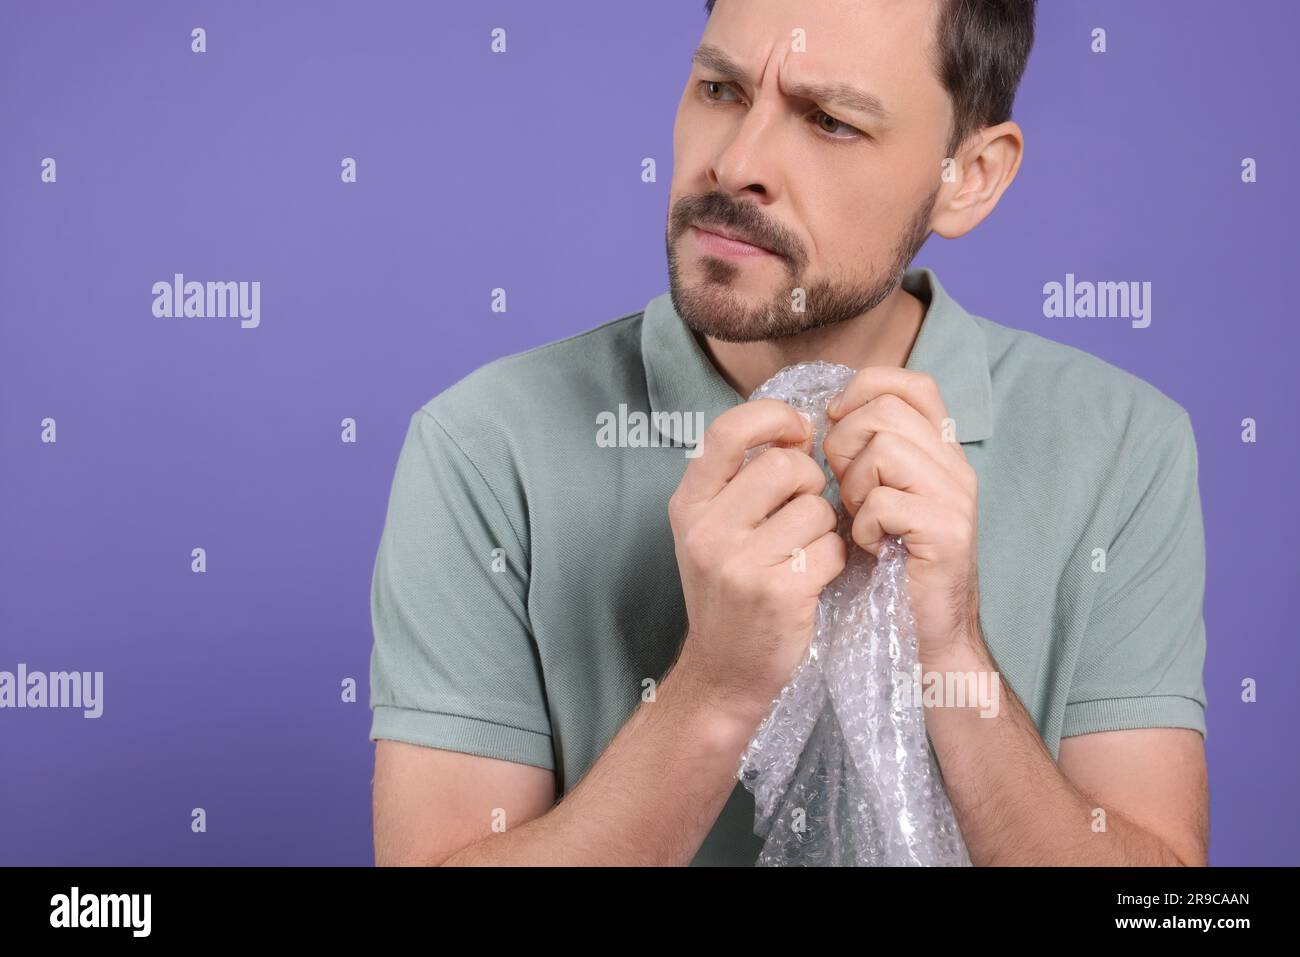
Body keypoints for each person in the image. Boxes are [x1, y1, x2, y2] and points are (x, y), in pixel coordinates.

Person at [368, 0, 1209, 866]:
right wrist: (713, 692)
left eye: (832, 121)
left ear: (972, 176)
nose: (736, 165)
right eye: (721, 89)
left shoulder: (1123, 447)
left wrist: (954, 652)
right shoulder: (482, 449)